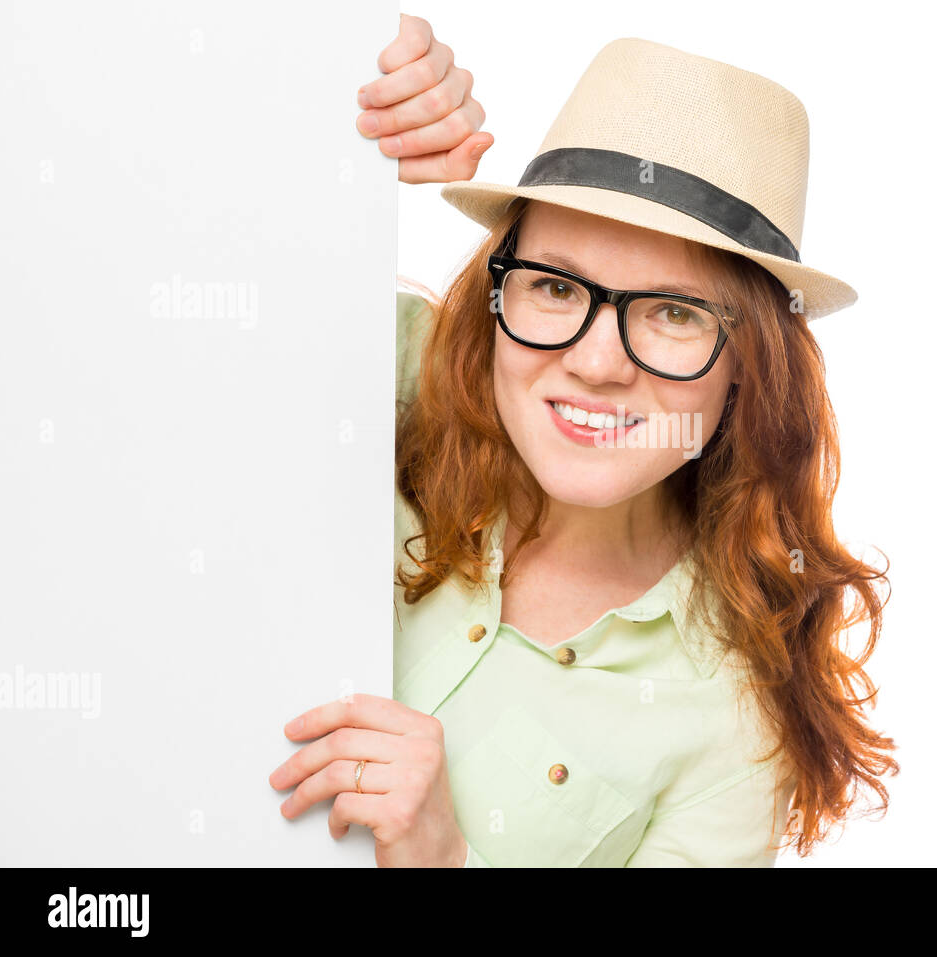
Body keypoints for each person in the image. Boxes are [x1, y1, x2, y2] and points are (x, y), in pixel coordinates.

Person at [270, 14, 897, 867]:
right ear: (500, 289)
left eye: (674, 312)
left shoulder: (732, 727)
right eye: (557, 287)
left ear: (750, 360)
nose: (596, 362)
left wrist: (444, 860)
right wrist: (336, 120)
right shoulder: (387, 378)